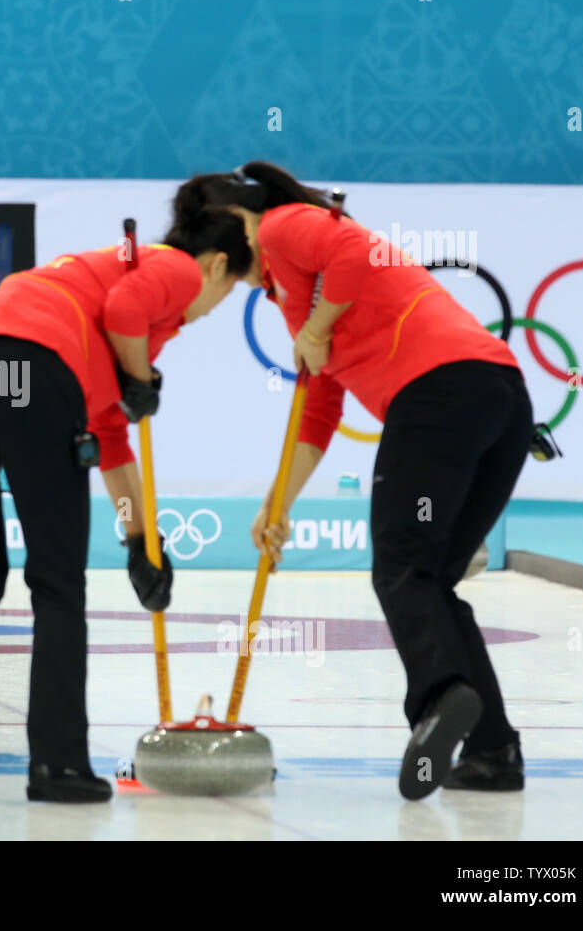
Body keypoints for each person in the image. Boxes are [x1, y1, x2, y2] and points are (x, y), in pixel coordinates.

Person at [0, 209, 258, 803]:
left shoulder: (89, 291)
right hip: (35, 369)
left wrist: (139, 541)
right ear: (217, 265)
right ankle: (59, 764)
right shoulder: (173, 268)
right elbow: (127, 315)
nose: (211, 308)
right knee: (57, 581)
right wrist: (141, 376)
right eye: (228, 292)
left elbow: (114, 438)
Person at [179, 160, 532, 799]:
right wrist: (276, 504)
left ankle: (441, 696)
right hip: (499, 398)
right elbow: (318, 409)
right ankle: (493, 752)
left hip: (438, 396)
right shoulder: (287, 289)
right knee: (430, 579)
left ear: (237, 224)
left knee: (400, 566)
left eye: (222, 254)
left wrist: (315, 328)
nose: (233, 273)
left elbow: (353, 250)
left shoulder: (287, 227)